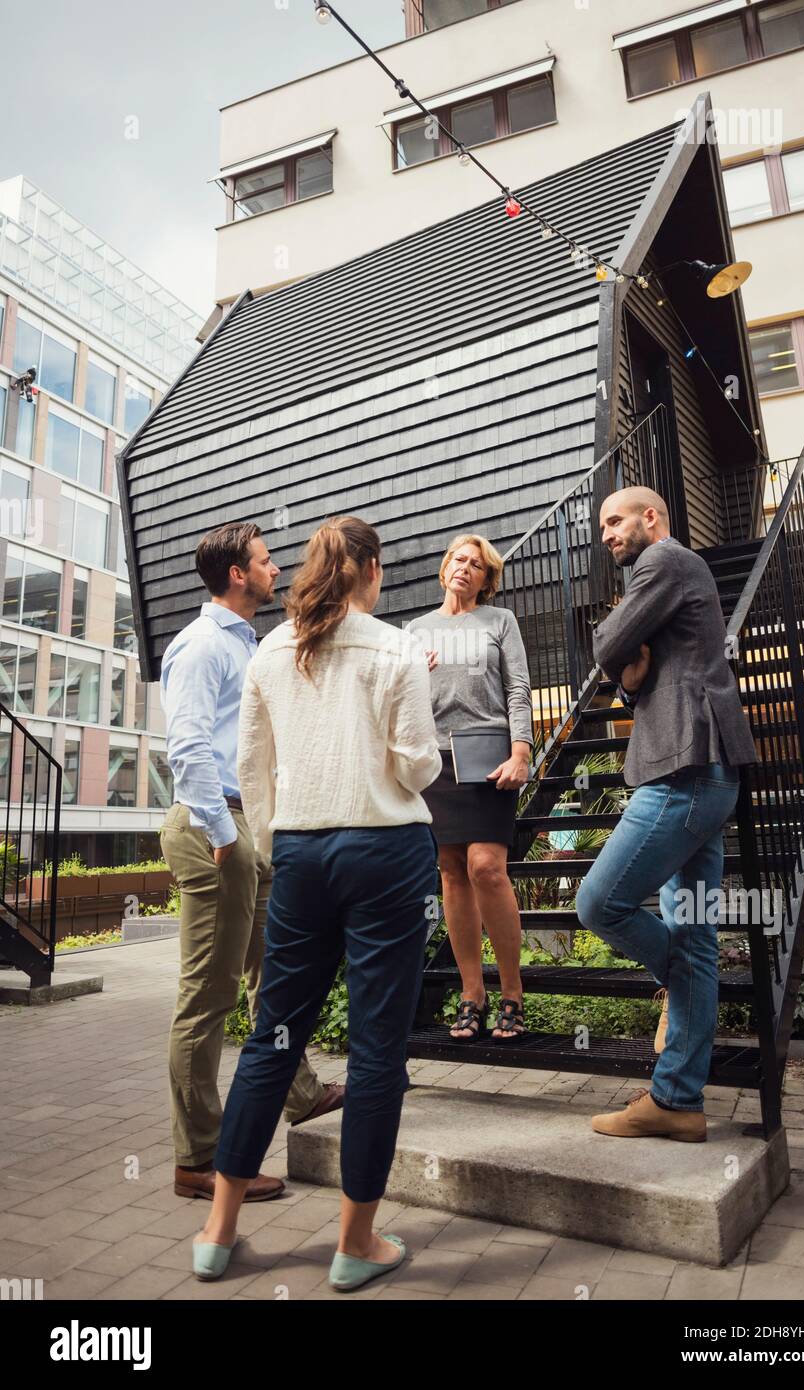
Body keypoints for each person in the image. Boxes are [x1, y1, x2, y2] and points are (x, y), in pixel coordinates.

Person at [191, 516, 442, 1290]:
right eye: (381, 567)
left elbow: (249, 766)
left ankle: (216, 1233)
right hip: (385, 850)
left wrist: (276, 842)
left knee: (272, 1036)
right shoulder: (395, 645)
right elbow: (418, 767)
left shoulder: (270, 648)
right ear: (368, 567)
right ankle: (354, 1245)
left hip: (299, 853)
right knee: (376, 1052)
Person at [160, 521, 343, 1204]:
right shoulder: (203, 645)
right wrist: (223, 834)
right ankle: (197, 1161)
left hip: (245, 826)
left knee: (277, 970)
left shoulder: (248, 643)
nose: (276, 571)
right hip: (215, 831)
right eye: (266, 562)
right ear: (238, 574)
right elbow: (187, 747)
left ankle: (300, 1093)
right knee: (206, 998)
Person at [574, 487, 758, 1141]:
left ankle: (673, 993)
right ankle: (677, 1100)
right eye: (600, 525)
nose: (606, 533)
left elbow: (605, 642)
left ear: (651, 517)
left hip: (682, 772)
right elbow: (635, 671)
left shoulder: (665, 562)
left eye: (615, 520)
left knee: (598, 904)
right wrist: (630, 676)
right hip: (705, 770)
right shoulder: (679, 575)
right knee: (697, 940)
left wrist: (621, 659)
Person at [406, 534, 533, 1043]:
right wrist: (414, 674)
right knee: (452, 874)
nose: (465, 568)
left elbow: (518, 687)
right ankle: (471, 993)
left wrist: (521, 751)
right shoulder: (414, 631)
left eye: (476, 565)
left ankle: (513, 993)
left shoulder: (499, 622)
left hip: (488, 754)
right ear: (444, 569)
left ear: (487, 580)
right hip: (433, 760)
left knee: (487, 867)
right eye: (459, 559)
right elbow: (400, 699)